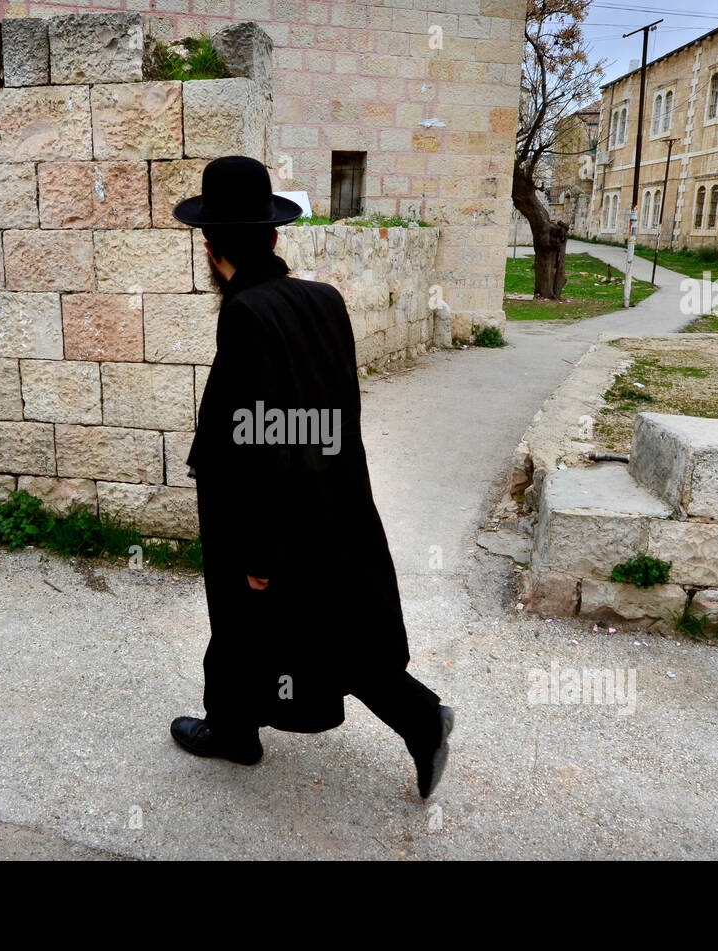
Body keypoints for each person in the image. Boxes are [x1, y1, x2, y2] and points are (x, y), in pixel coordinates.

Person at [169, 156, 454, 799]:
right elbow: (335, 413)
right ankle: (241, 727)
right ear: (274, 238)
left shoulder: (245, 315)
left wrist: (259, 549)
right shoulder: (323, 300)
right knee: (334, 626)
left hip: (264, 514)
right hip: (331, 501)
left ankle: (242, 731)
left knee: (257, 622)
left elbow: (260, 441)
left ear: (210, 249)